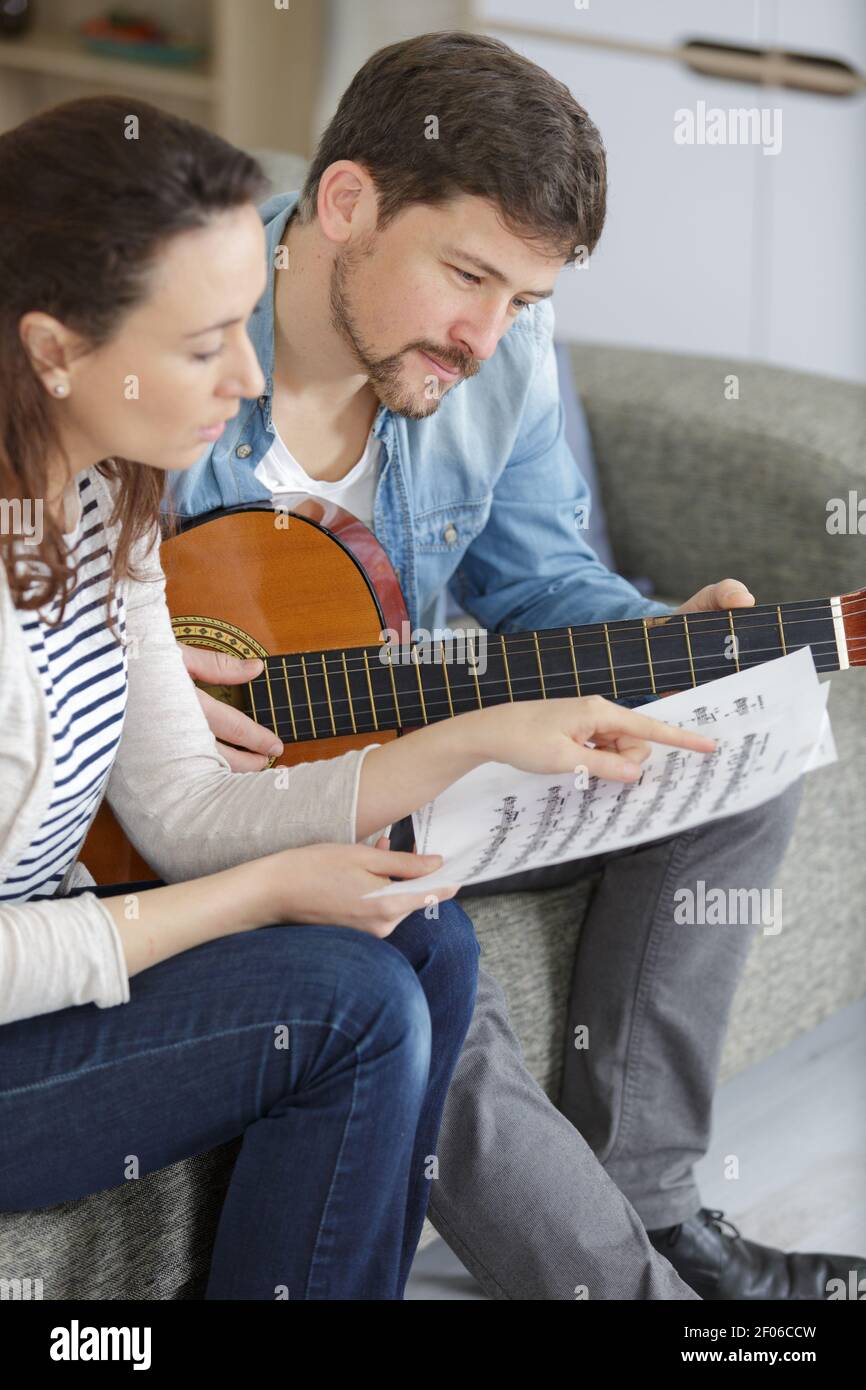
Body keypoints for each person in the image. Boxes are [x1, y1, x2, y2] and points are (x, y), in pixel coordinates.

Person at [170, 31, 866, 1299]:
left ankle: (649, 1205)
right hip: (260, 817)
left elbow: (540, 583)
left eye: (525, 302)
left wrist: (661, 642)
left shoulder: (496, 361)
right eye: (468, 276)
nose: (487, 337)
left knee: (729, 751)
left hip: (422, 752)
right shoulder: (172, 344)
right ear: (346, 204)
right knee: (420, 966)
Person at [0, 96, 719, 1302]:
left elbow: (178, 804)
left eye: (244, 327)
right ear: (56, 351)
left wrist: (480, 736)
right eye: (201, 344)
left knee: (418, 932)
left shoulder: (101, 500)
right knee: (348, 1001)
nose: (244, 377)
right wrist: (264, 895)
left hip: (51, 957)